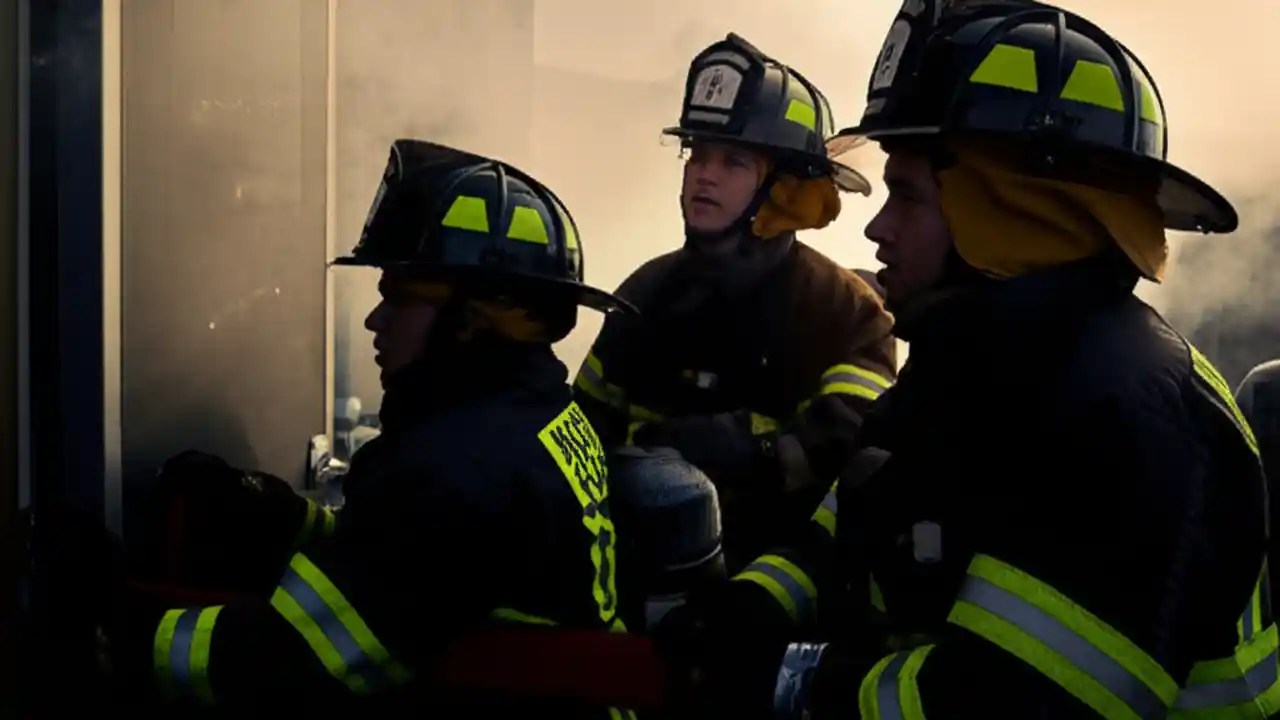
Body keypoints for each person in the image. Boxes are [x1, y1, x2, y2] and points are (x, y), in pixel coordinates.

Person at [658, 2, 1277, 718]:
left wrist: (796, 683)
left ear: (1009, 215)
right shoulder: (968, 361)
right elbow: (852, 519)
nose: (876, 228)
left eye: (908, 196)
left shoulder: (1133, 416)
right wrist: (749, 607)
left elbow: (1016, 704)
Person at [101, 139, 641, 717]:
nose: (374, 320)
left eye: (400, 297)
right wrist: (285, 522)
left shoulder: (456, 469)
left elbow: (290, 661)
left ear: (473, 319)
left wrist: (108, 628)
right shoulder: (535, 415)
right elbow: (414, 570)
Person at [572, 32, 898, 572]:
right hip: (642, 578)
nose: (704, 173)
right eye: (696, 153)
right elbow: (581, 438)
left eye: (733, 161)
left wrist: (743, 451)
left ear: (784, 189)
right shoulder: (644, 296)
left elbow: (851, 444)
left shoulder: (845, 312)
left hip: (782, 596)